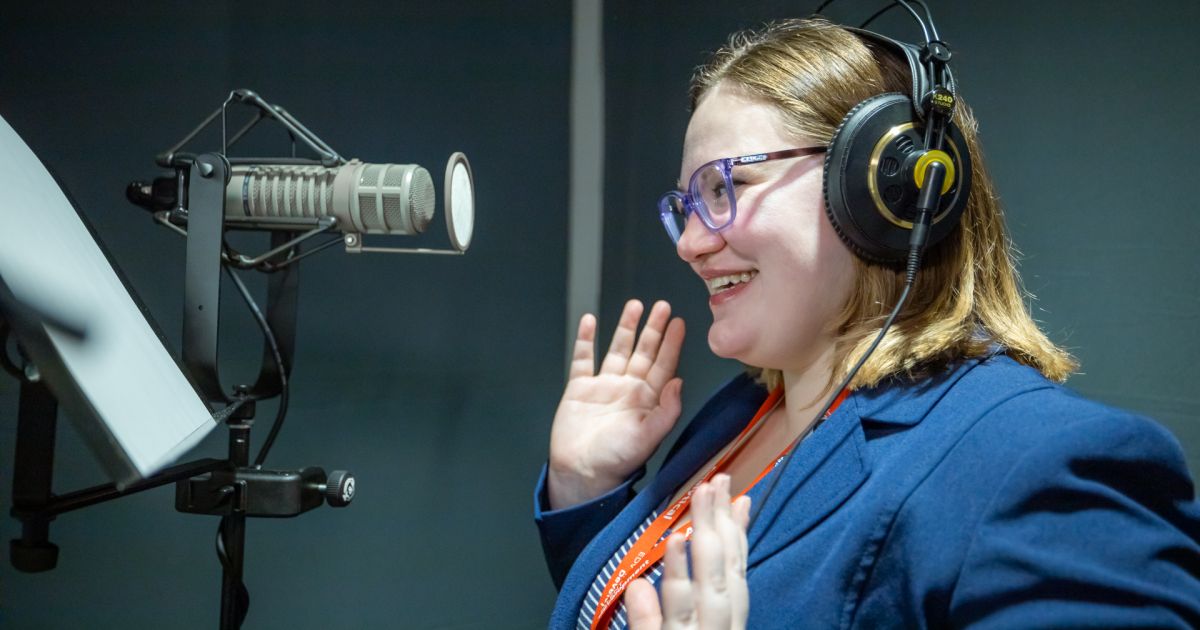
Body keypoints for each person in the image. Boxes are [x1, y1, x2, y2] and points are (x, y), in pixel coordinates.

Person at [534, 15, 1200, 629]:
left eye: (725, 186)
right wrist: (586, 489)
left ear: (883, 190)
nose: (690, 244)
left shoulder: (1041, 466)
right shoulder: (741, 414)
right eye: (689, 204)